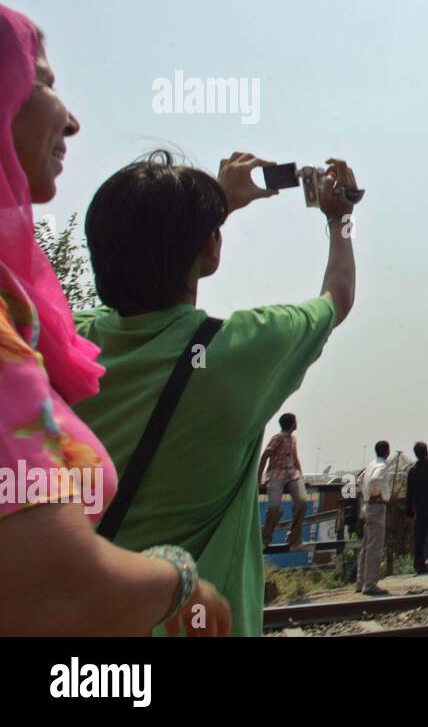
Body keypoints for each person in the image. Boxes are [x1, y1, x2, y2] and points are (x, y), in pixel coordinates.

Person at [0, 4, 229, 636]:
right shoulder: (240, 348)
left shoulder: (63, 331)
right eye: (41, 81)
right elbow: (59, 596)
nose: (71, 118)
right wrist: (187, 581)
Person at [73, 149, 358, 636]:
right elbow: (338, 295)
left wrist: (211, 207)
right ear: (211, 247)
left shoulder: (57, 346)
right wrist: (341, 218)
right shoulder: (240, 352)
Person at [259, 413, 307, 549]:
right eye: (295, 421)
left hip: (292, 475)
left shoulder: (293, 439)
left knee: (302, 502)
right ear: (291, 424)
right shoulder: (278, 438)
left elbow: (295, 458)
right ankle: (265, 538)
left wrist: (300, 475)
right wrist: (259, 478)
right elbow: (265, 456)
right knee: (274, 507)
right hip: (276, 475)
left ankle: (294, 537)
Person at [356, 441, 392, 595]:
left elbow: (359, 480)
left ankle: (361, 581)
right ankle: (370, 584)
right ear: (387, 452)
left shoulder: (371, 464)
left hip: (367, 505)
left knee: (366, 546)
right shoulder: (382, 466)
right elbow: (375, 480)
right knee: (374, 547)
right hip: (377, 506)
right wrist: (377, 494)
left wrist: (367, 494)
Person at [405, 441, 428, 575]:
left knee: (419, 538)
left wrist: (409, 511)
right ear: (426, 451)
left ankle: (419, 565)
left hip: (420, 508)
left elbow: (409, 493)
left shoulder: (412, 471)